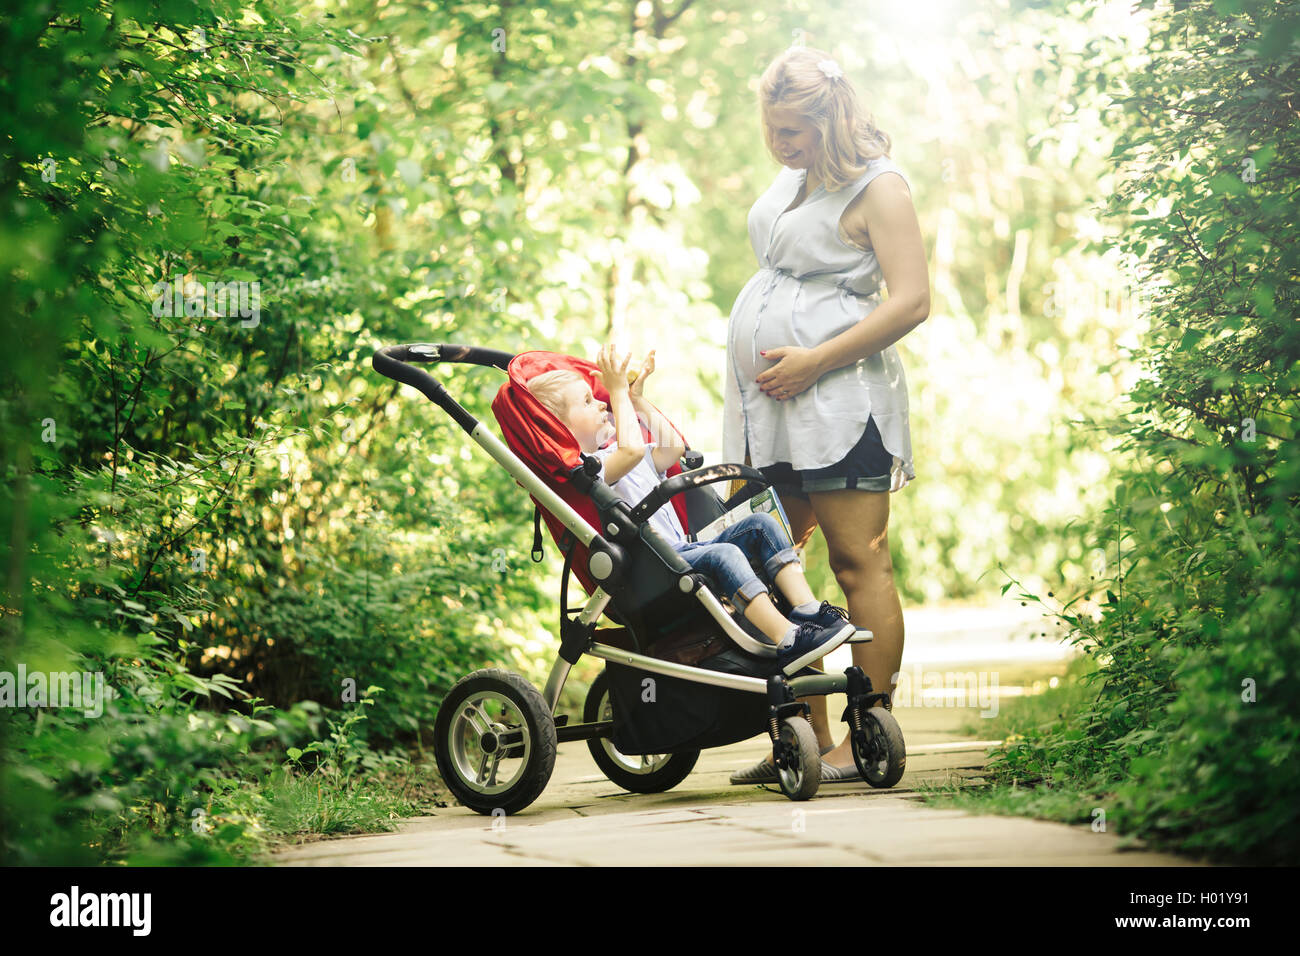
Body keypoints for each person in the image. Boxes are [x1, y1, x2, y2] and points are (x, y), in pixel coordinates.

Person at [722, 46, 930, 783]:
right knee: (770, 560)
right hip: (768, 407)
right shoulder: (791, 180)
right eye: (773, 129)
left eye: (797, 132)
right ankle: (798, 739)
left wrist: (815, 360)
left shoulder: (882, 188)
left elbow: (911, 301)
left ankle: (862, 737)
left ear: (833, 116)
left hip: (840, 399)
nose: (782, 144)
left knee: (857, 558)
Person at [525, 344, 856, 677]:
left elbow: (674, 448)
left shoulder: (621, 451)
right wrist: (617, 393)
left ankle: (807, 611)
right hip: (657, 569)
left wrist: (638, 401)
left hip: (685, 549)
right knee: (724, 554)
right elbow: (632, 449)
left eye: (598, 398)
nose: (601, 404)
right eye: (586, 402)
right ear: (560, 428)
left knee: (759, 525)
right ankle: (787, 639)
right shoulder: (591, 471)